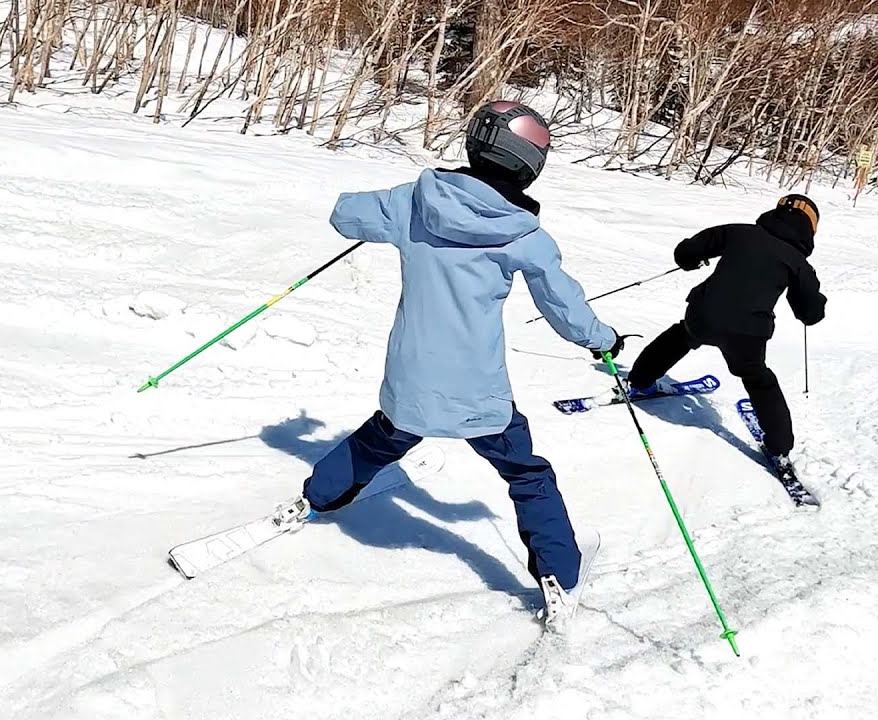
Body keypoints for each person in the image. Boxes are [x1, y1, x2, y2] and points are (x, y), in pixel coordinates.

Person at [272, 100, 624, 630]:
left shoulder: (417, 200)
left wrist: (394, 218)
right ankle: (558, 576)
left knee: (379, 441)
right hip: (478, 392)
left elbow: (345, 213)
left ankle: (314, 498)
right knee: (526, 472)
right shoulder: (525, 236)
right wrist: (602, 341)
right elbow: (564, 306)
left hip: (411, 380)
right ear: (530, 163)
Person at [623, 194, 826, 480]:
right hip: (748, 333)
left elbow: (688, 251)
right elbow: (811, 314)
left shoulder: (739, 232)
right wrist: (813, 302)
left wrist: (692, 260)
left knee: (681, 336)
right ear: (810, 229)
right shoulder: (798, 264)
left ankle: (640, 381)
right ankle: (779, 448)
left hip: (703, 315)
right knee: (758, 379)